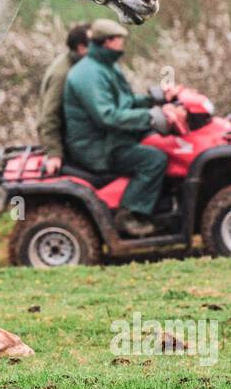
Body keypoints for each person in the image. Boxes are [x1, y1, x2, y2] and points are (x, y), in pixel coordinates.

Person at [62, 19, 184, 237]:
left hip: (112, 138)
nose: (122, 44)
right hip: (99, 147)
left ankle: (163, 207)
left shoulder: (106, 66)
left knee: (164, 145)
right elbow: (107, 116)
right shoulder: (89, 74)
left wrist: (154, 100)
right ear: (107, 42)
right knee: (154, 160)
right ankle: (130, 215)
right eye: (119, 39)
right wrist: (151, 117)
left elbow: (124, 102)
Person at [37, 22, 93, 175]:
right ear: (82, 48)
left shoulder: (75, 63)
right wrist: (54, 153)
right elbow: (49, 115)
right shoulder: (63, 74)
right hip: (70, 142)